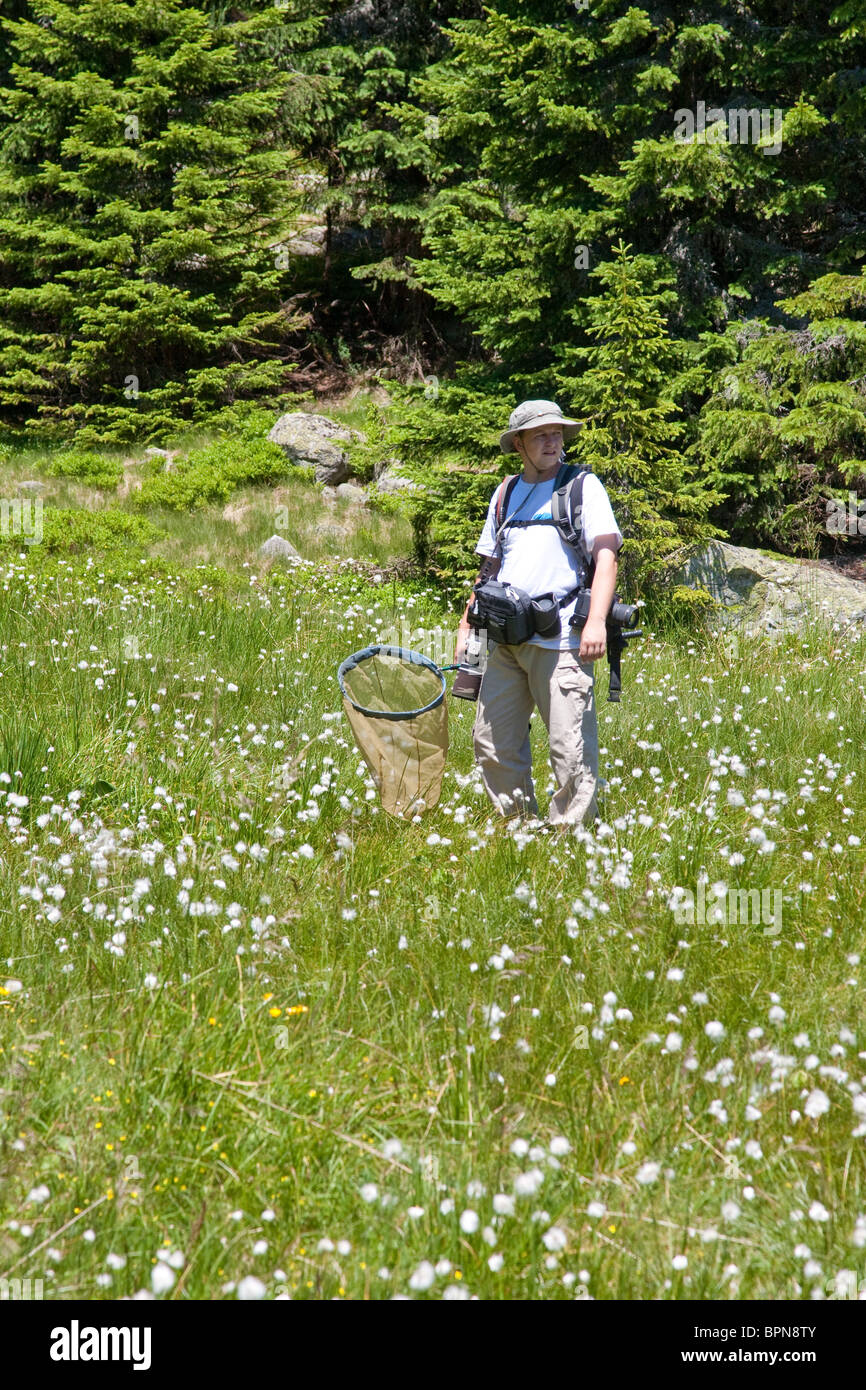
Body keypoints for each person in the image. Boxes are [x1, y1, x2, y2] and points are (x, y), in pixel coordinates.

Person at [455, 399, 624, 827]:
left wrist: (597, 621)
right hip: (503, 642)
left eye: (557, 434)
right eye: (540, 435)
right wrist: (465, 626)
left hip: (562, 640)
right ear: (519, 444)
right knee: (493, 744)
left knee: (570, 750)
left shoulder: (583, 487)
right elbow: (488, 568)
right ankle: (518, 828)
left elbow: (607, 557)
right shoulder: (505, 493)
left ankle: (572, 842)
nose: (552, 442)